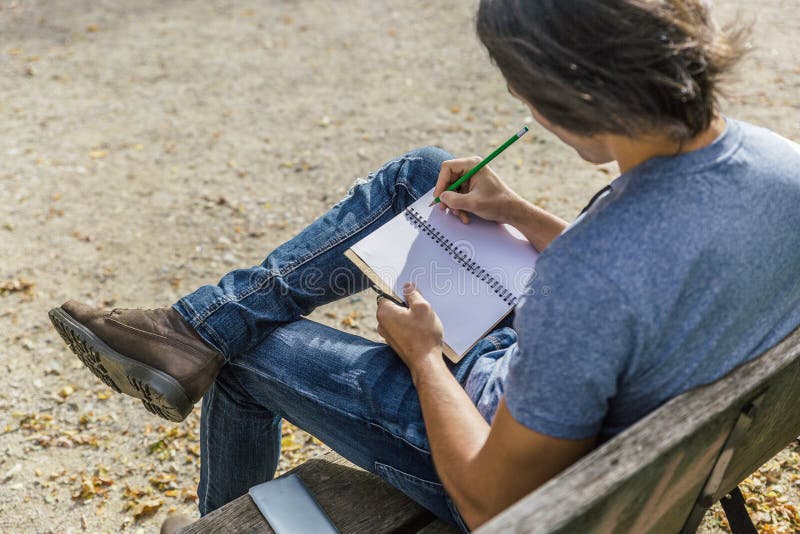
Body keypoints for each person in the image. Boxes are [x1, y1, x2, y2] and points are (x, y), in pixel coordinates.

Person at [49, 0, 800, 530]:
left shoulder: (592, 279)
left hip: (537, 472)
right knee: (423, 176)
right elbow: (654, 270)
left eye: (523, 88)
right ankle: (194, 327)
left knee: (247, 355)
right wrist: (515, 215)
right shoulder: (780, 168)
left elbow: (492, 500)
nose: (522, 106)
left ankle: (222, 477)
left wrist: (425, 357)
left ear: (576, 95)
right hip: (640, 421)